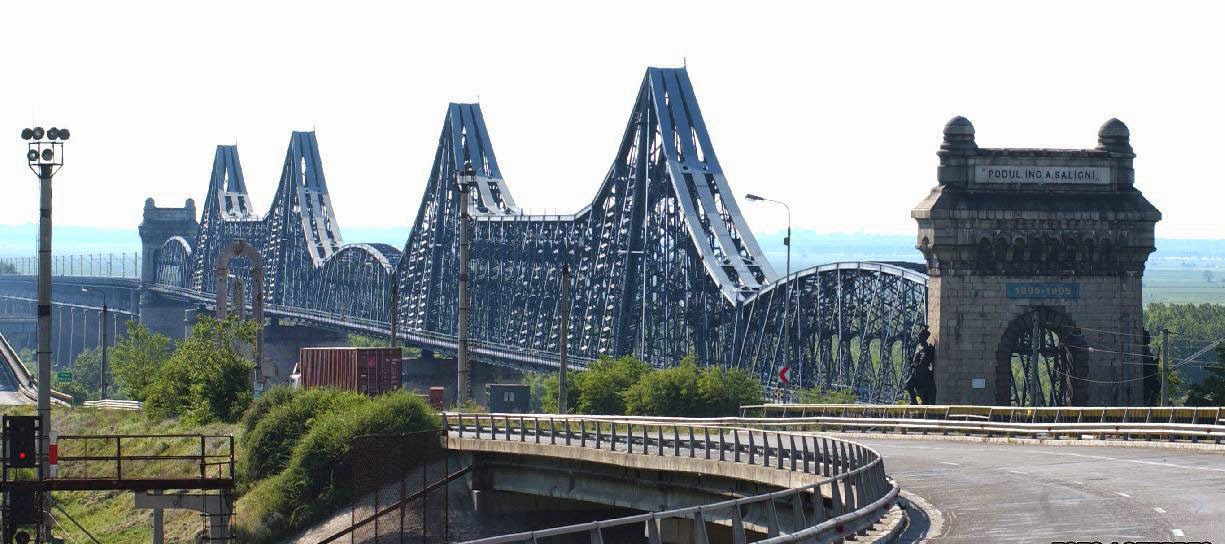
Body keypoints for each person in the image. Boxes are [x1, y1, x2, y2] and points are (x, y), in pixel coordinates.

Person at [906, 328, 936, 405]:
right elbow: (916, 357)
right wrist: (911, 359)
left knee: (911, 384)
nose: (918, 338)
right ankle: (913, 400)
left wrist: (916, 364)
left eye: (920, 336)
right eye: (918, 336)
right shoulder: (918, 346)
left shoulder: (925, 347)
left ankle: (917, 400)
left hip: (921, 371)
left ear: (924, 338)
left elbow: (924, 359)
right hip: (915, 371)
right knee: (908, 384)